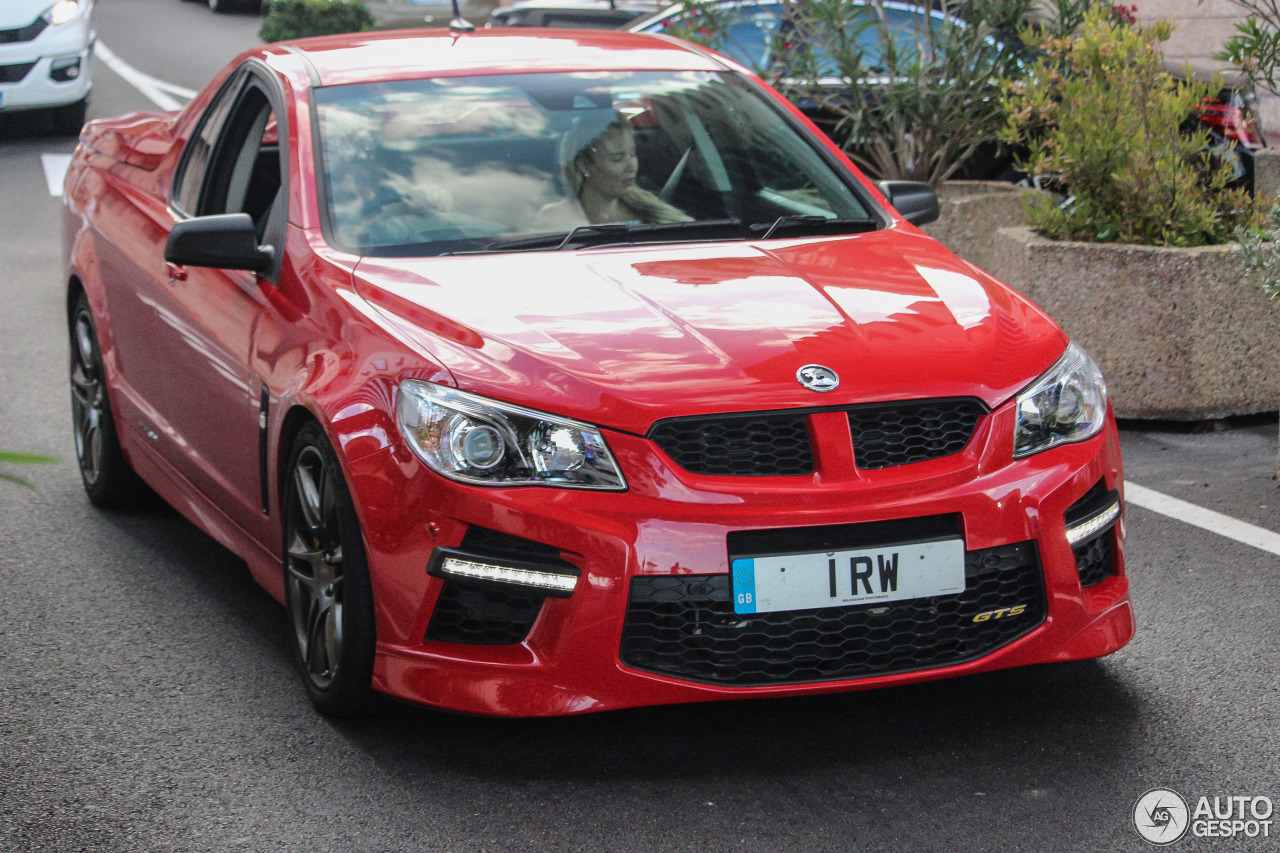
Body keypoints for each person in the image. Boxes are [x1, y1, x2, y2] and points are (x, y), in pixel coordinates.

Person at [534, 112, 691, 228]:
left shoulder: (656, 218)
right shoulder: (550, 220)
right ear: (584, 166)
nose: (632, 166)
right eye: (617, 158)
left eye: (632, 154)